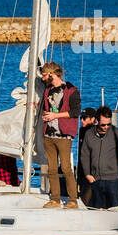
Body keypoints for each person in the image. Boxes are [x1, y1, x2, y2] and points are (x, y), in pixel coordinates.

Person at [39, 62, 81, 208]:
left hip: (63, 135)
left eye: (44, 75)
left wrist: (55, 116)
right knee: (51, 168)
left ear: (51, 74)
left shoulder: (71, 90)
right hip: (48, 133)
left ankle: (72, 200)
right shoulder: (47, 89)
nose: (43, 78)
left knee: (66, 168)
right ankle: (55, 199)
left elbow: (75, 112)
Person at [80, 105, 118, 209]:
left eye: (108, 124)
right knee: (96, 212)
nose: (106, 127)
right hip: (95, 180)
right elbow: (84, 155)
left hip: (114, 181)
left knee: (116, 211)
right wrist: (87, 174)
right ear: (96, 121)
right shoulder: (89, 134)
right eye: (103, 125)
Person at [76, 108, 98, 204]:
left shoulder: (95, 131)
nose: (82, 120)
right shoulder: (82, 130)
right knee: (83, 191)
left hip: (91, 168)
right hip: (82, 166)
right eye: (81, 118)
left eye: (84, 118)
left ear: (93, 119)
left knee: (89, 194)